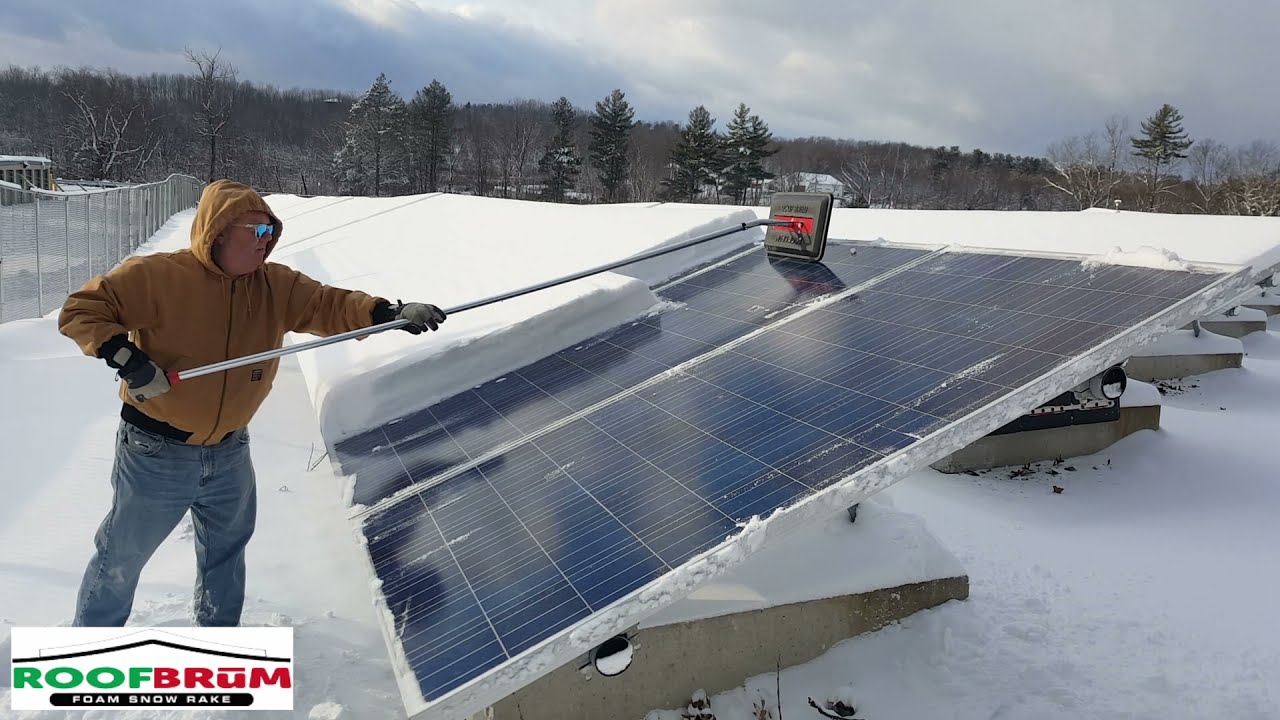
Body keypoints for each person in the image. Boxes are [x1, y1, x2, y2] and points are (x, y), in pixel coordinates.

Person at [57, 179, 447, 627]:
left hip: (229, 451)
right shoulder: (158, 277)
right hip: (156, 452)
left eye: (271, 234)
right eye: (256, 232)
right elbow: (82, 310)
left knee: (226, 555)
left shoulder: (275, 286)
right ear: (219, 231)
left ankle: (218, 651)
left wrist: (387, 314)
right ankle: (86, 662)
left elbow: (328, 304)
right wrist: (126, 357)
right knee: (121, 557)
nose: (267, 243)